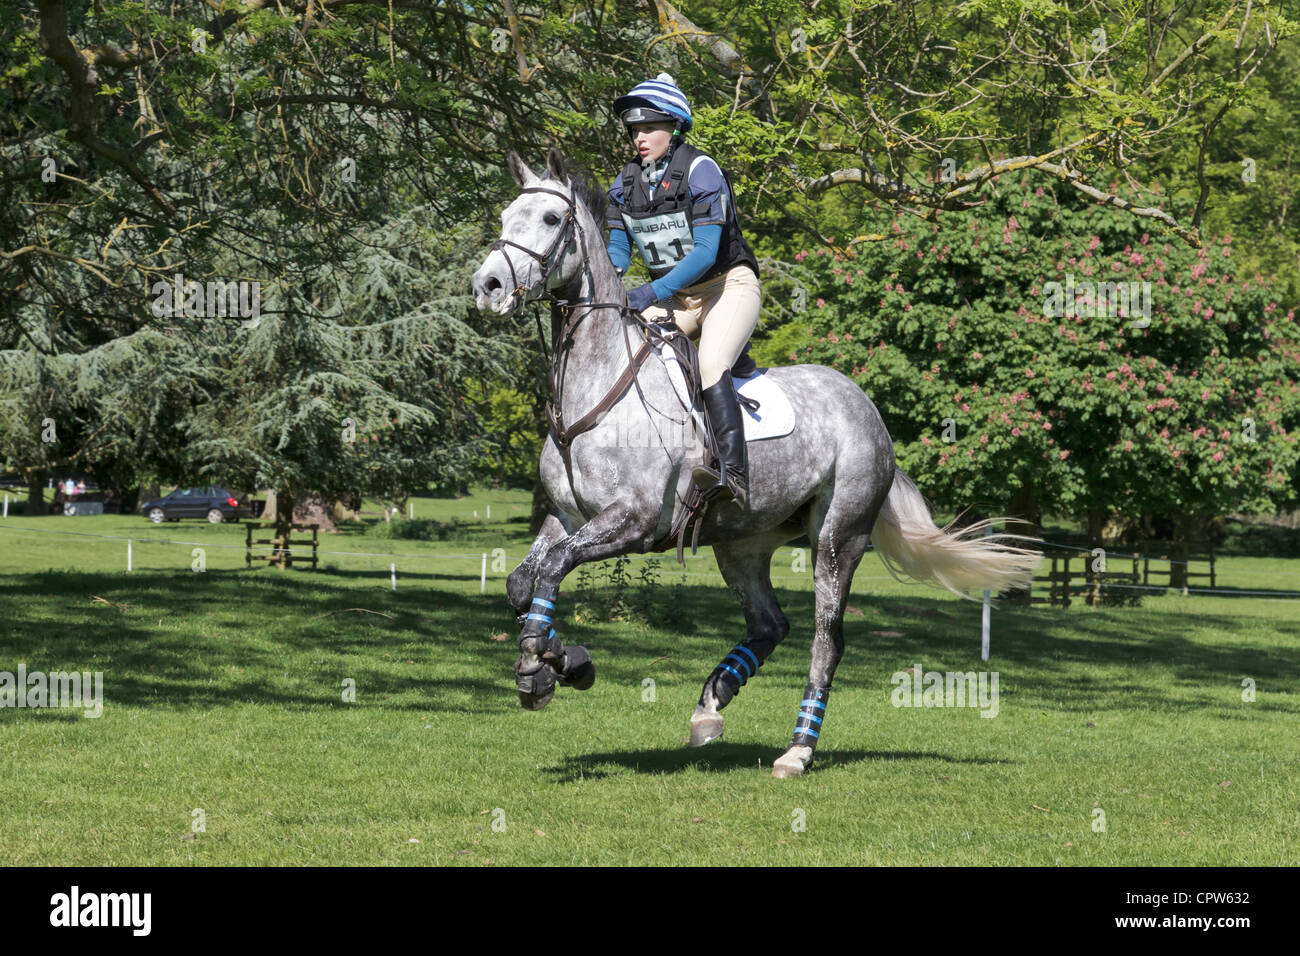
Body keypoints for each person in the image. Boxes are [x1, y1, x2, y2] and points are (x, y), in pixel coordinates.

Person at [605, 73, 762, 510]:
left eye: (649, 128)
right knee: (630, 352)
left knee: (711, 362)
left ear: (675, 126)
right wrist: (609, 279)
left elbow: (707, 252)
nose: (640, 137)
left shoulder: (701, 170)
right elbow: (618, 249)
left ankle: (735, 478)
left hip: (726, 286)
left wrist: (650, 292)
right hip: (677, 300)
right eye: (634, 129)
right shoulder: (624, 183)